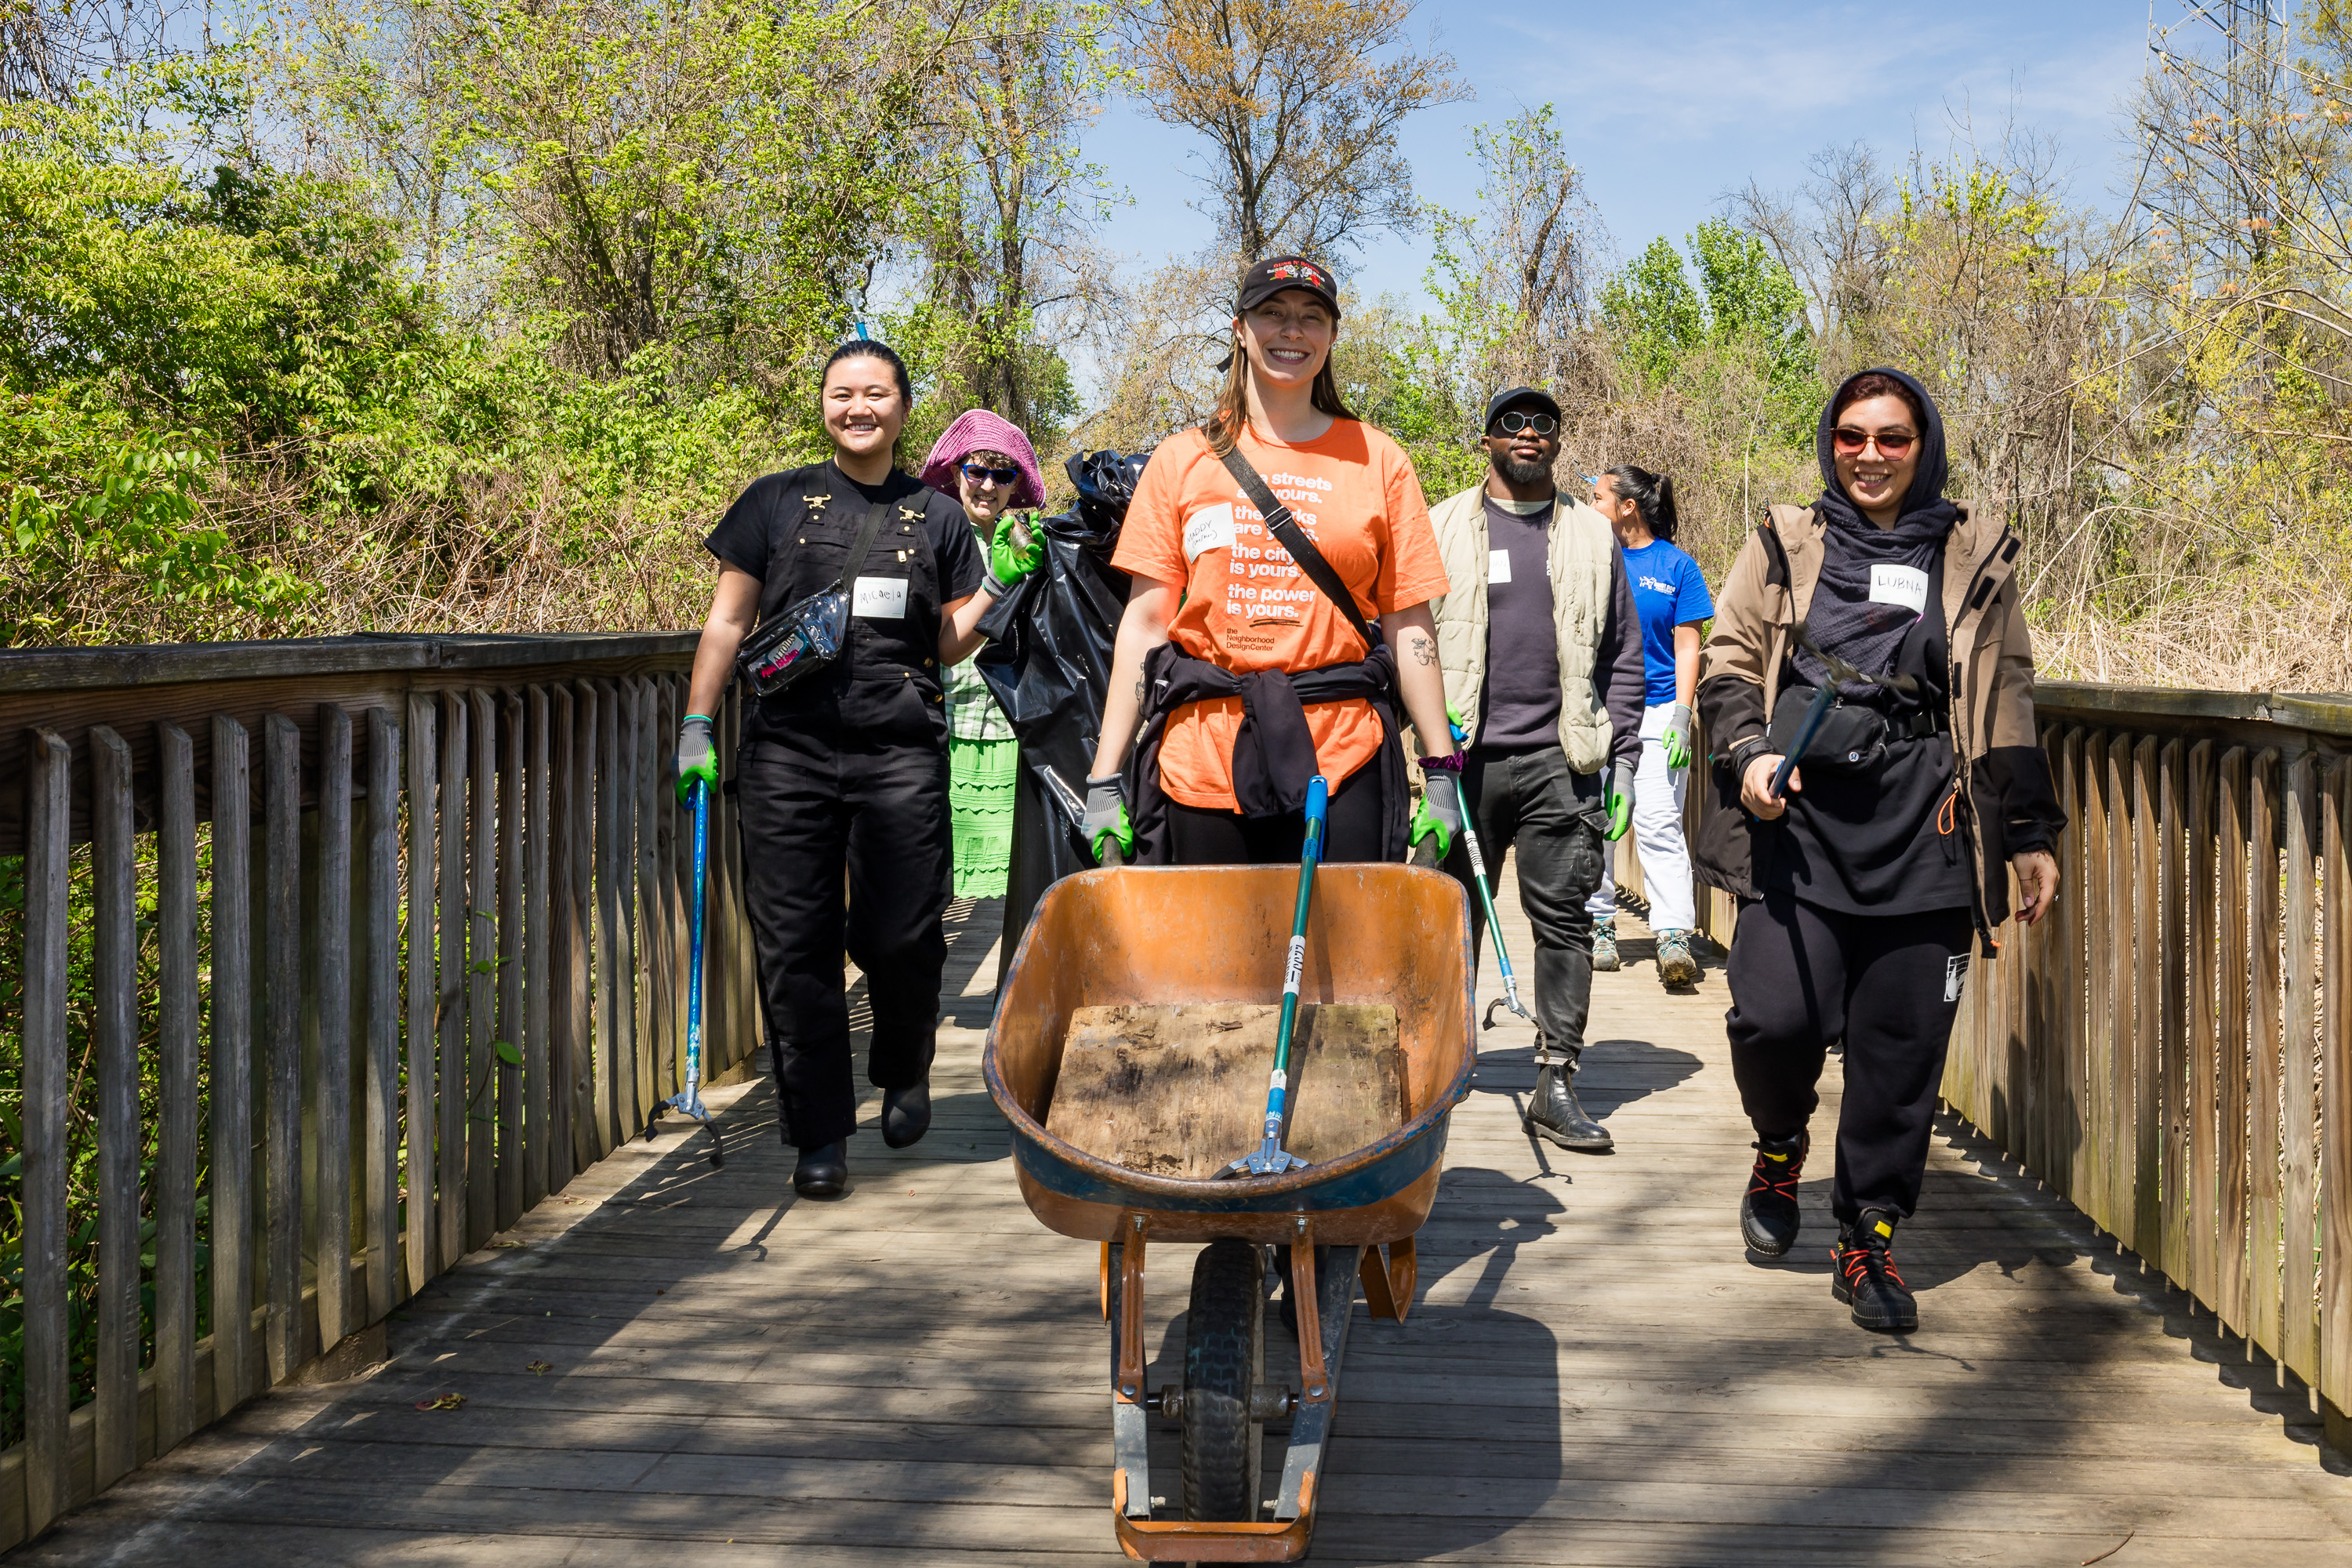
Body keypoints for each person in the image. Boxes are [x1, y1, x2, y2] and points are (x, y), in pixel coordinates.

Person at [1693, 366, 2064, 1332]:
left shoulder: (1971, 548)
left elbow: (2010, 689)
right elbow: (1729, 656)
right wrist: (1745, 750)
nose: (1869, 455)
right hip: (1800, 822)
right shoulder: (1787, 538)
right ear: (1832, 440)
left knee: (1900, 1054)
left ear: (1923, 443)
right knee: (1773, 1020)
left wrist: (2028, 831)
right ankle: (1780, 1145)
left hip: (1930, 828)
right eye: (1853, 435)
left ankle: (1868, 1236)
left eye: (1892, 437)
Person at [676, 339, 1044, 1200]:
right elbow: (728, 623)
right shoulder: (771, 502)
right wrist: (698, 720)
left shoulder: (941, 517)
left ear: (903, 409)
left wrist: (999, 587)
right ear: (824, 404)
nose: (858, 407)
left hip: (899, 751)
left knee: (902, 932)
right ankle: (820, 1134)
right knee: (794, 947)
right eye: (842, 393)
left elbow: (949, 643)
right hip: (788, 754)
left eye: (875, 393)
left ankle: (903, 1059)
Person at [1083, 255, 1456, 869]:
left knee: (1343, 966)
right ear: (1239, 328)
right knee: (1208, 964)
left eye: (1313, 317)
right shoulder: (1181, 461)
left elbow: (1408, 622)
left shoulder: (1380, 459)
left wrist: (1440, 770)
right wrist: (1104, 778)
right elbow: (1146, 625)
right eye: (1273, 314)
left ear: (1332, 336)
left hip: (1345, 755)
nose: (1292, 331)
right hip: (1201, 758)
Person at [1424, 387, 1646, 1154]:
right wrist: (1422, 752)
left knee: (1563, 924)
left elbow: (1623, 654)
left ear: (1557, 441)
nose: (1527, 433)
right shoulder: (1441, 525)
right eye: (1512, 422)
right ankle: (1435, 1073)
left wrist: (1622, 758)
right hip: (1461, 762)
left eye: (1542, 424)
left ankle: (1556, 1079)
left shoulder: (1592, 533)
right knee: (1448, 922)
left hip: (1565, 760)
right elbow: (1405, 640)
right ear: (1486, 438)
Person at [1583, 465, 1711, 986]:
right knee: (1596, 822)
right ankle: (1599, 923)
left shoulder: (1677, 566)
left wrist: (1683, 714)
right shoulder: (1589, 559)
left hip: (1659, 711)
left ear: (1627, 507)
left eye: (1597, 499)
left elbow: (1687, 644)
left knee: (1659, 823)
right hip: (1596, 711)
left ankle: (1674, 935)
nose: (1589, 506)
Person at [918, 410, 1047, 901]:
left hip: (1007, 722)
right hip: (943, 721)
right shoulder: (932, 537)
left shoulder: (1027, 543)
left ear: (1015, 486)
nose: (988, 485)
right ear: (956, 474)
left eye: (1002, 474)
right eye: (977, 471)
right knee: (939, 869)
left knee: (1005, 878)